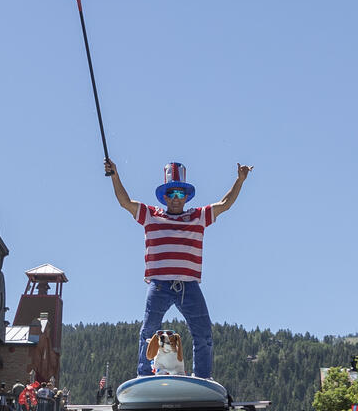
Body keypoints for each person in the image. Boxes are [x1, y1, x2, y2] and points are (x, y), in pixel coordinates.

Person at [105, 158, 250, 380]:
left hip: (188, 285)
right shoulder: (151, 215)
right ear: (164, 196)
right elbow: (125, 202)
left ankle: (202, 377)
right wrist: (115, 174)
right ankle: (144, 374)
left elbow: (224, 204)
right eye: (171, 194)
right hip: (159, 284)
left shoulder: (198, 217)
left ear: (186, 196)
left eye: (180, 194)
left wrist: (239, 180)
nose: (175, 199)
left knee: (203, 333)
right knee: (149, 330)